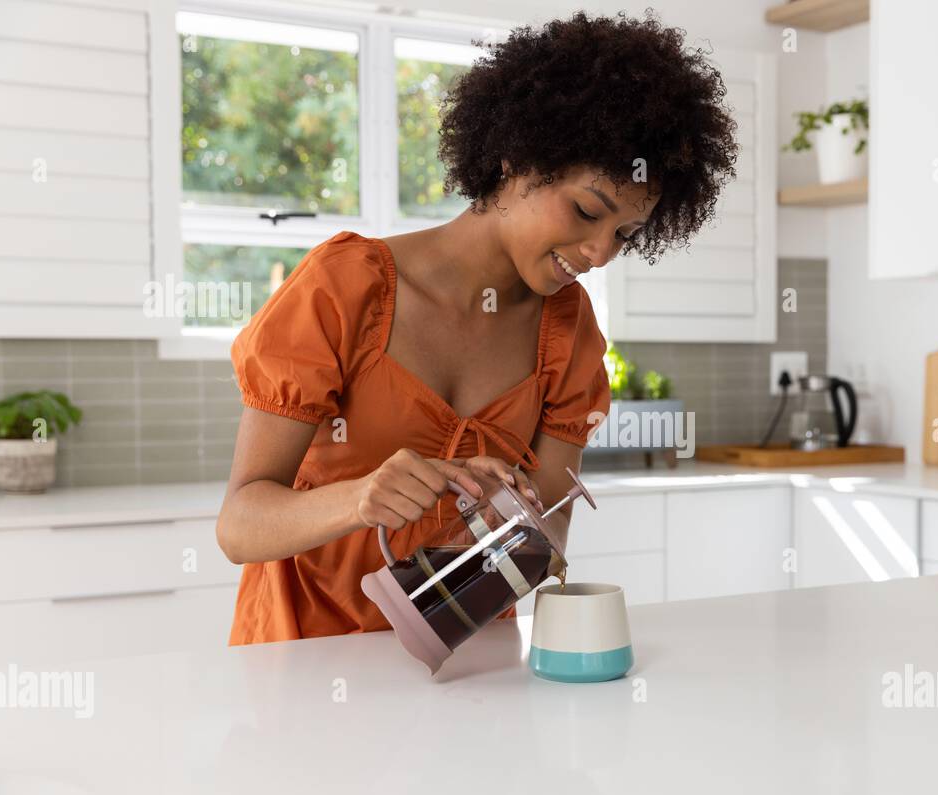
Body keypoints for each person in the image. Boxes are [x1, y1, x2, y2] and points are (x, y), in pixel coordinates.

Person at [217, 10, 738, 645]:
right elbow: (239, 526)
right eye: (586, 211)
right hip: (301, 662)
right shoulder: (343, 287)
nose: (600, 253)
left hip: (470, 663)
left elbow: (544, 539)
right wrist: (359, 498)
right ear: (516, 159)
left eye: (625, 234)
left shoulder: (567, 332)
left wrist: (512, 523)